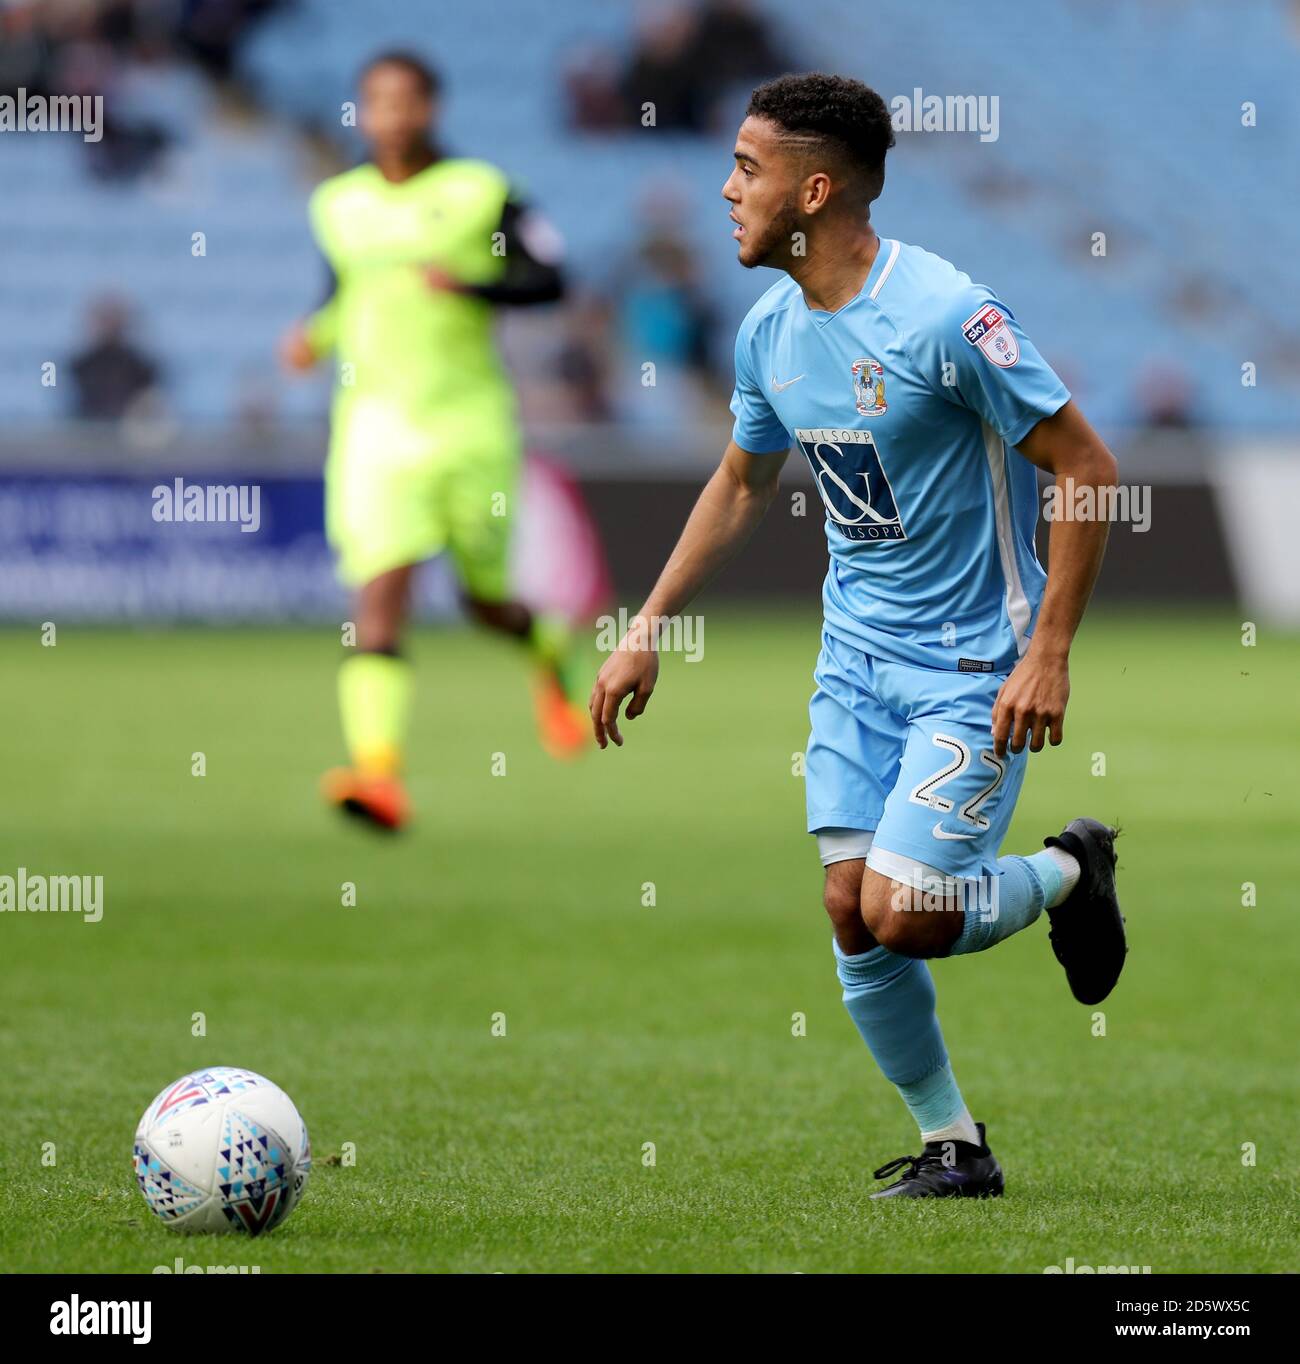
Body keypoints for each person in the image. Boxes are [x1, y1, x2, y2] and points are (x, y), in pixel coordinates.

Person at [589, 73, 1127, 1197]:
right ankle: (953, 1143)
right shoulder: (769, 329)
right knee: (850, 909)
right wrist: (645, 626)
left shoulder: (944, 315)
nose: (726, 187)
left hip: (973, 666)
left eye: (748, 167)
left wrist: (1050, 652)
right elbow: (741, 482)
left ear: (813, 187)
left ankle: (1068, 874)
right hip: (853, 667)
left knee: (905, 911)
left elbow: (1085, 468)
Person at [281, 51, 583, 832]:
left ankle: (546, 646)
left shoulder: (481, 191)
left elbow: (552, 278)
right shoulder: (338, 204)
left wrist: (474, 287)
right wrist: (312, 337)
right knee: (379, 596)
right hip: (373, 428)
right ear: (361, 110)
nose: (393, 115)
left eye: (407, 100)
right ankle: (378, 774)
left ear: (431, 107)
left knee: (484, 603)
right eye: (378, 101)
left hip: (469, 424)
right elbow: (344, 293)